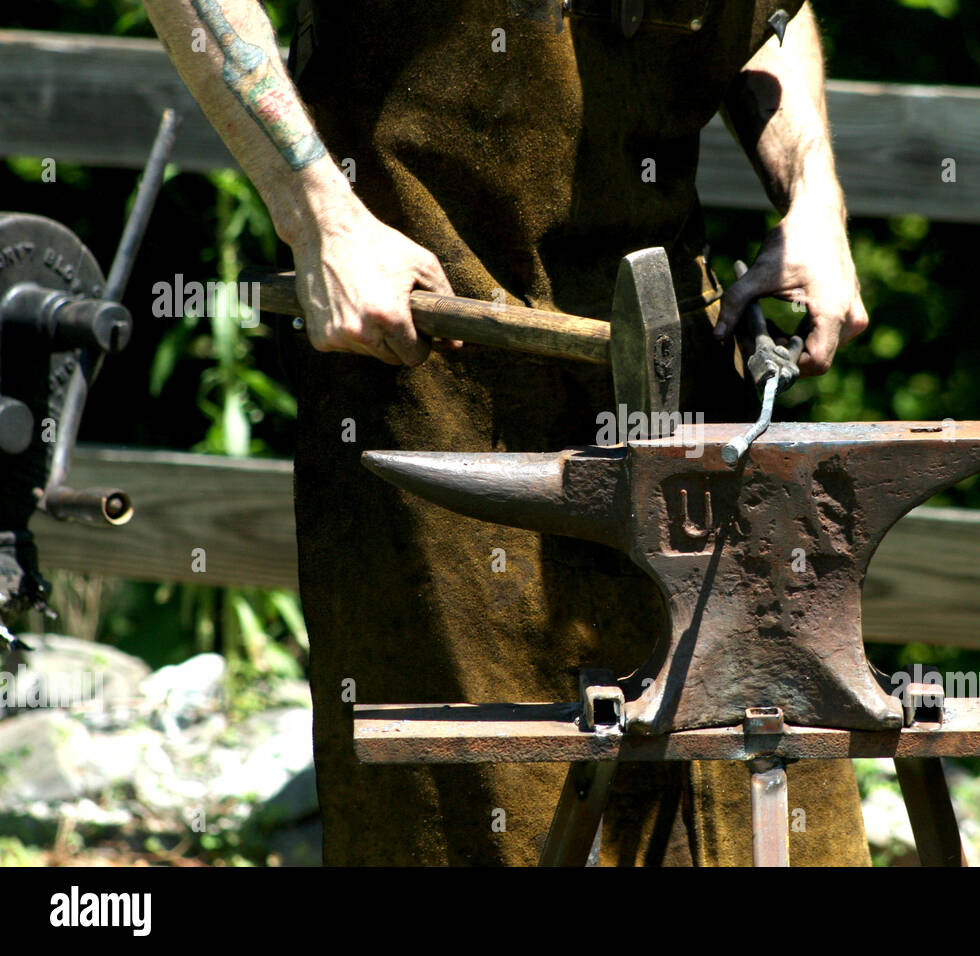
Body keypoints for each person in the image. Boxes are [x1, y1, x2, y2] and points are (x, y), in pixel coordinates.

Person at [143, 0, 872, 865]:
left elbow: (771, 20)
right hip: (432, 365)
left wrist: (814, 197)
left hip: (685, 380)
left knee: (751, 800)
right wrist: (317, 212)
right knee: (478, 817)